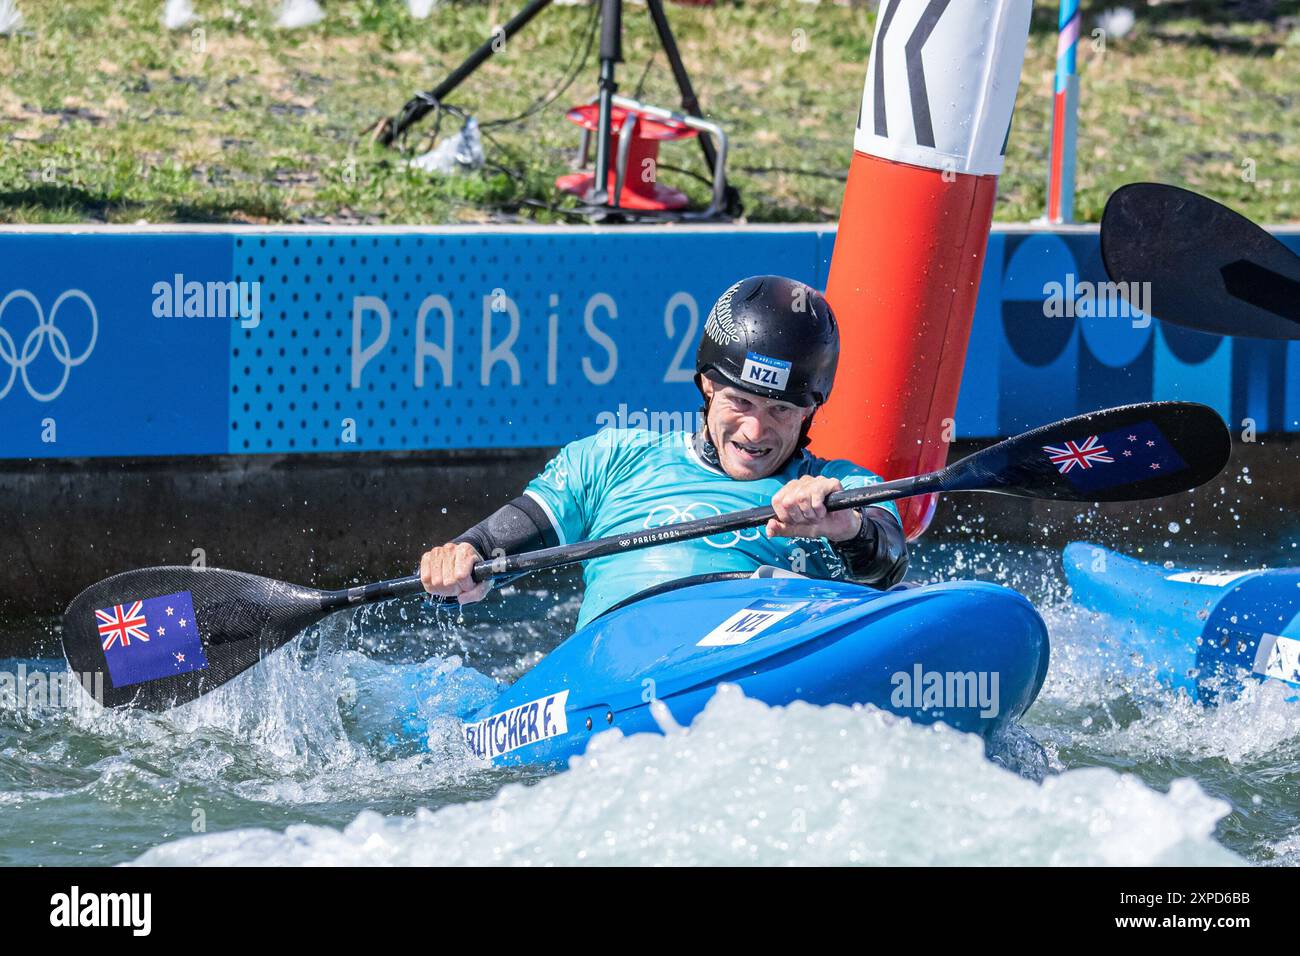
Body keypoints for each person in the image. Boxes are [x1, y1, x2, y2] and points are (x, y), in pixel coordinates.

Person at [420, 275, 909, 630]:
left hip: (760, 665)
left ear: (809, 412)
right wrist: (461, 562)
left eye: (781, 409)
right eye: (740, 401)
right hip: (614, 677)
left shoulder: (842, 491)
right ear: (707, 385)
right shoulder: (609, 460)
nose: (756, 429)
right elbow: (494, 547)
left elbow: (886, 566)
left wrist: (844, 527)